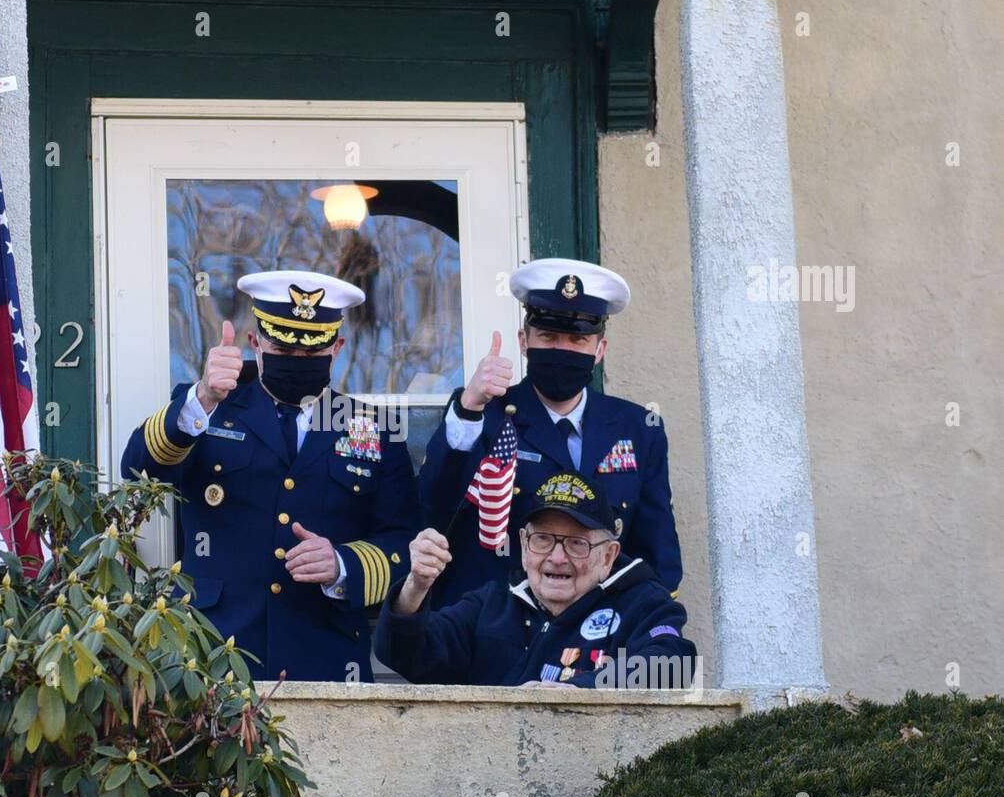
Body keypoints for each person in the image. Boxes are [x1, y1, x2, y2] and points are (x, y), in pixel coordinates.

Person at [120, 270, 418, 682]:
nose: (296, 361)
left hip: (326, 664)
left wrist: (342, 564)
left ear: (337, 348)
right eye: (281, 347)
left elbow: (403, 544)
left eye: (312, 353)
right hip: (214, 659)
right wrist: (204, 395)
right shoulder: (209, 406)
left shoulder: (372, 428)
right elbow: (139, 470)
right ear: (255, 342)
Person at [417, 258, 681, 606]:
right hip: (499, 634)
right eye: (548, 336)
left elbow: (657, 552)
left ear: (600, 350)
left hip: (598, 638)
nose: (562, 350)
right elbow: (433, 503)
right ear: (524, 341)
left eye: (577, 339)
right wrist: (469, 405)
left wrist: (646, 631)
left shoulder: (637, 428)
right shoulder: (485, 415)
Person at [376, 471, 695, 687]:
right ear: (524, 546)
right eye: (543, 540)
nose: (557, 557)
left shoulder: (643, 603)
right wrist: (416, 586)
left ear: (608, 556)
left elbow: (672, 665)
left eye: (576, 544)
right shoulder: (491, 604)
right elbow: (405, 654)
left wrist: (579, 691)